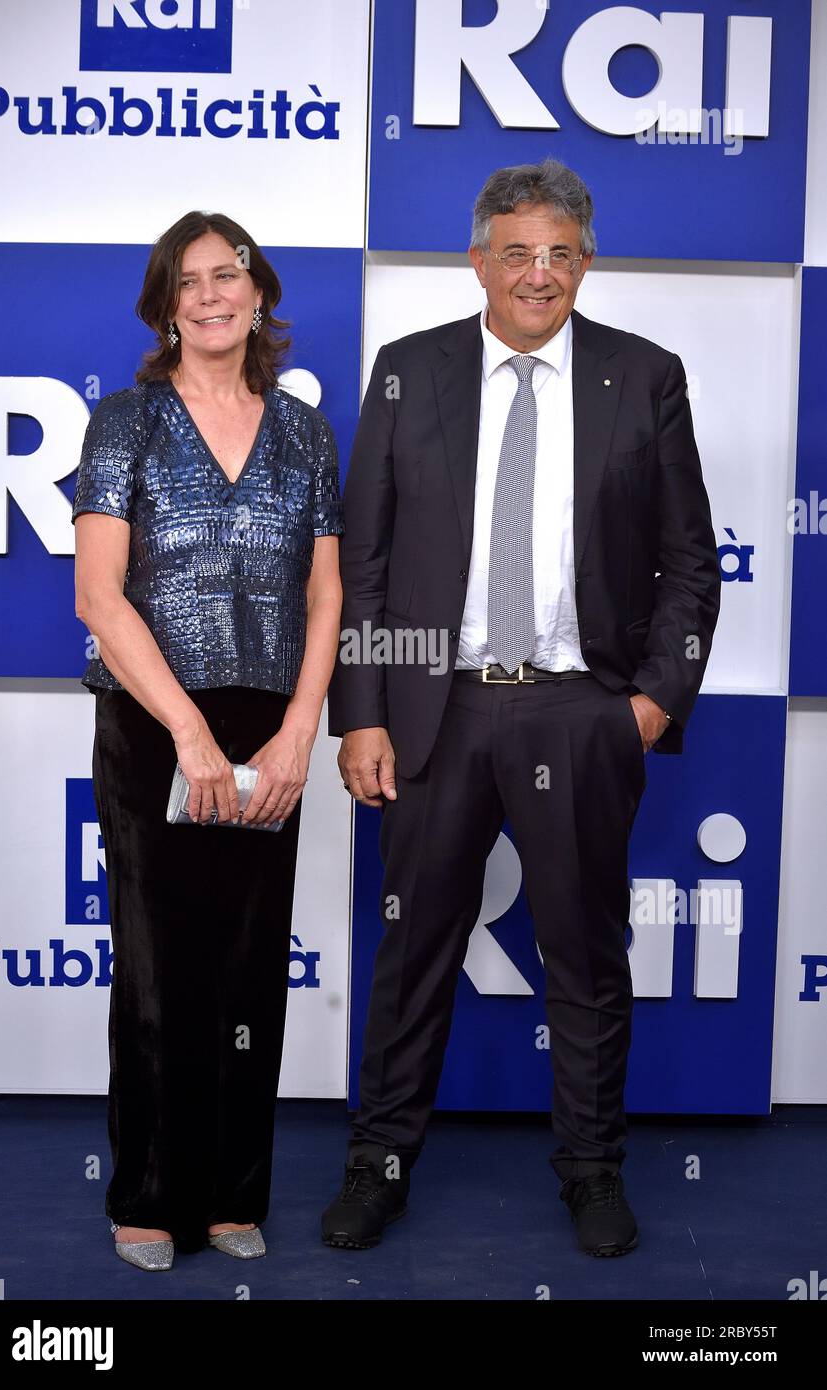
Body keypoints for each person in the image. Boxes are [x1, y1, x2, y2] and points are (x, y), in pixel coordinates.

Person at [322, 159, 720, 1256]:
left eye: (559, 252)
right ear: (478, 259)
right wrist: (361, 713)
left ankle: (591, 1172)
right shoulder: (410, 372)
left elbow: (691, 564)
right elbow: (365, 562)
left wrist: (645, 705)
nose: (537, 273)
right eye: (516, 251)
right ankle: (379, 1164)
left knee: (585, 958)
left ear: (586, 261)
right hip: (432, 714)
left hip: (577, 713)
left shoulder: (645, 377)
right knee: (411, 955)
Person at [72, 210, 343, 1270]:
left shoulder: (308, 431)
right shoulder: (124, 424)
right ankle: (148, 1192)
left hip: (269, 722)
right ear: (165, 305)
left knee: (245, 969)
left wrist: (297, 734)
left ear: (259, 291)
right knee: (155, 967)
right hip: (152, 723)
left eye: (229, 273)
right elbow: (100, 596)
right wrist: (185, 728)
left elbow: (324, 597)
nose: (214, 293)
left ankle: (232, 1195)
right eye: (190, 281)